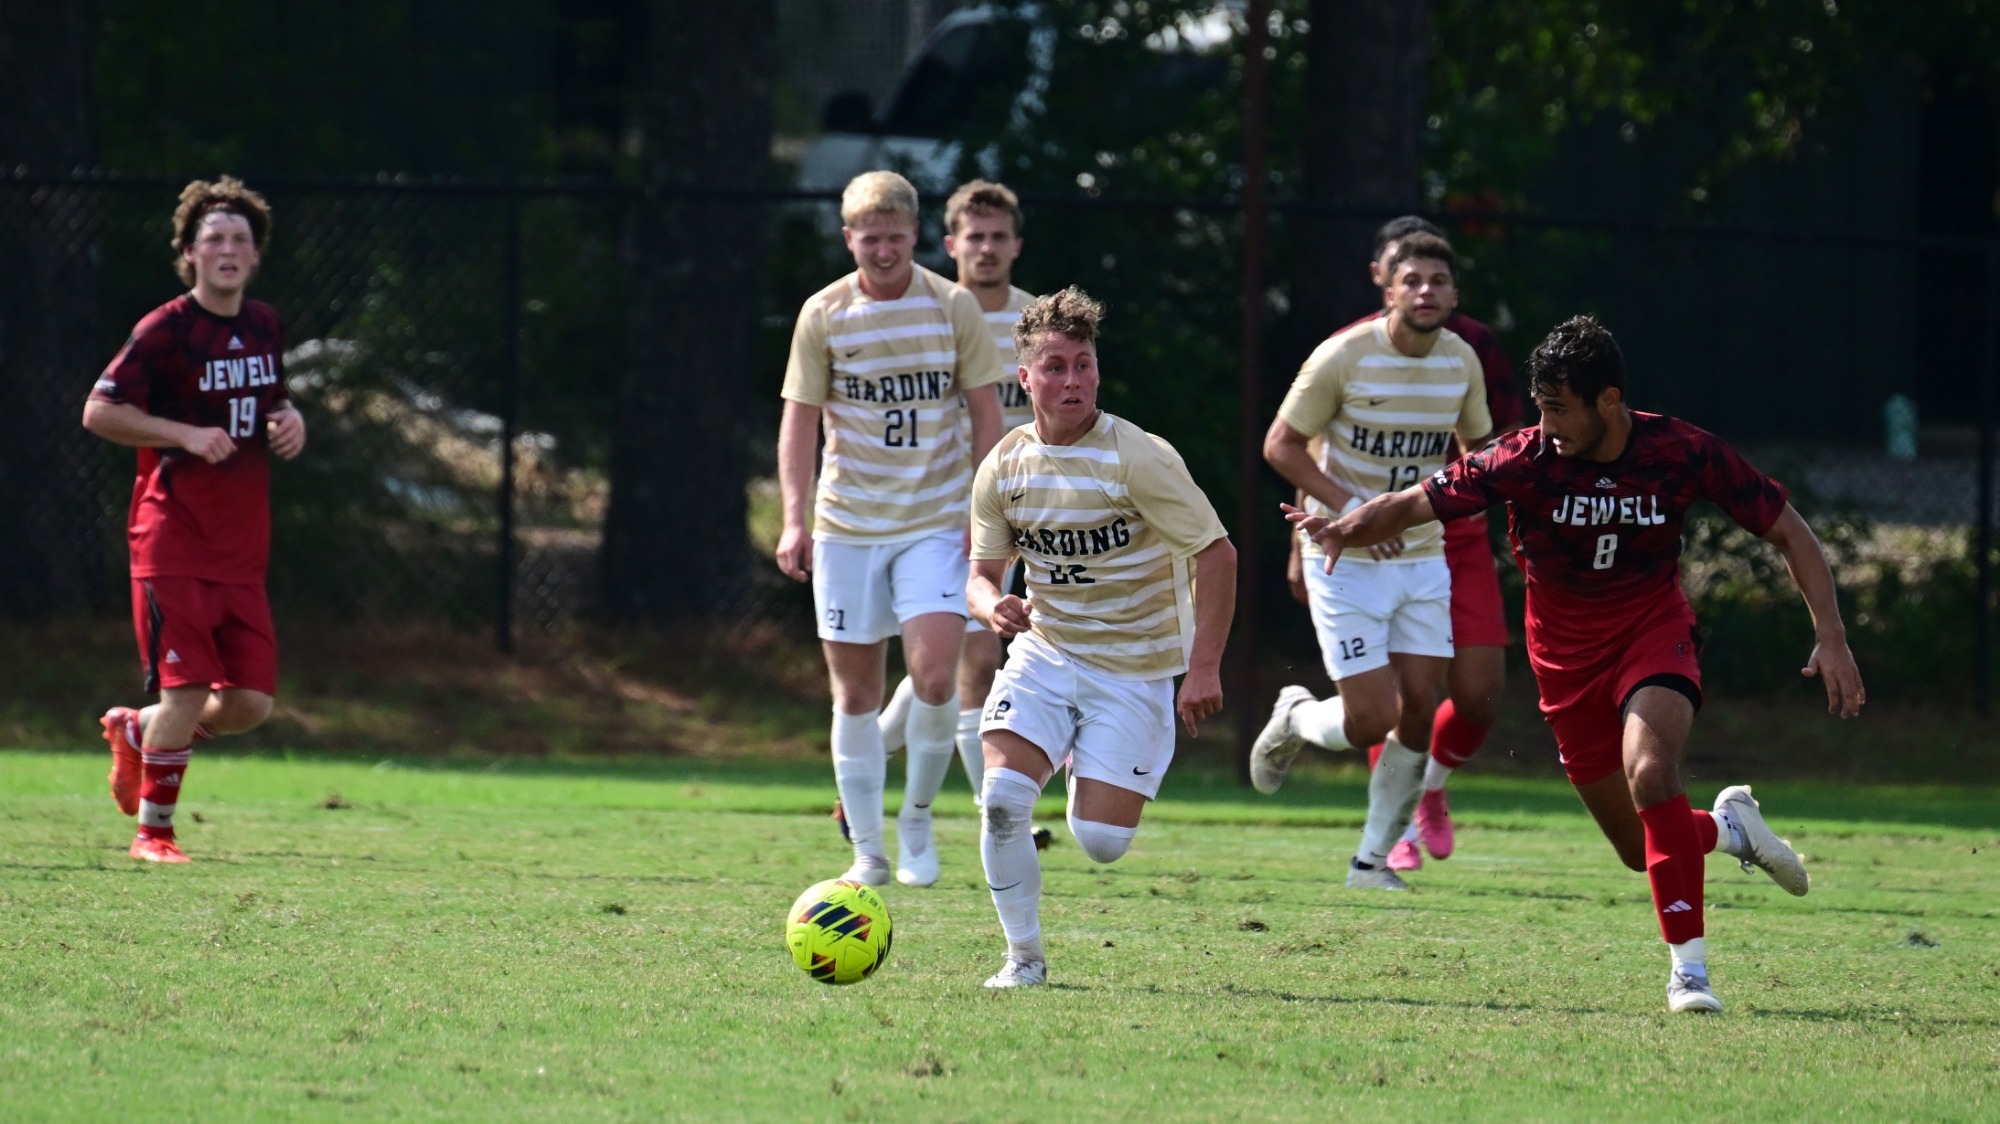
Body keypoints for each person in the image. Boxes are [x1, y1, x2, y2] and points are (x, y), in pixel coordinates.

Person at [1284, 314, 1864, 1012]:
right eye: (1541, 407)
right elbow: (1414, 502)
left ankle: (1690, 975)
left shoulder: (1680, 450)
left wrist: (1831, 636)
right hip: (1564, 664)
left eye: (1560, 408)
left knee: (1651, 773)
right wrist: (1344, 528)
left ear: (1608, 401)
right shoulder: (1523, 458)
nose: (1547, 424)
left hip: (1653, 633)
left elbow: (1789, 532)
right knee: (1639, 847)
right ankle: (1731, 829)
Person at [968, 286, 1236, 988]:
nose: (1072, 381)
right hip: (1046, 652)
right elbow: (979, 575)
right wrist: (993, 605)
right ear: (1024, 378)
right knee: (1002, 802)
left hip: (1134, 667)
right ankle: (1024, 959)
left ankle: (1082, 756)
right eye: (1054, 367)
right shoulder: (1004, 465)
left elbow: (1218, 555)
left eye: (1083, 365)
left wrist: (1203, 667)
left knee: (1102, 843)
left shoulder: (1138, 457)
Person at [777, 170, 1005, 888]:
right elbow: (799, 423)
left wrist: (982, 516)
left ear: (916, 236)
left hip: (934, 522)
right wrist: (793, 519)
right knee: (855, 697)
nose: (882, 252)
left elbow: (987, 415)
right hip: (847, 527)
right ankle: (867, 852)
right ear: (848, 238)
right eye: (869, 239)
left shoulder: (952, 306)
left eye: (895, 239)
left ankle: (917, 819)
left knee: (936, 678)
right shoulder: (823, 313)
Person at [1284, 216, 1527, 871]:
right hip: (1361, 542)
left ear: (1454, 290)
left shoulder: (1470, 351)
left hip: (1444, 539)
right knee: (1379, 708)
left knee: (1470, 695)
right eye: (1409, 277)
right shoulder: (1347, 351)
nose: (1425, 290)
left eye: (1437, 279)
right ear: (1384, 283)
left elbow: (1491, 448)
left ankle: (1422, 794)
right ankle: (1382, 836)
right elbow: (1297, 444)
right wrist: (1322, 533)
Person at [85, 176, 307, 864]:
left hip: (240, 549)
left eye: (240, 238)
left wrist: (291, 418)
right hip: (172, 536)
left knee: (248, 704)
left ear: (256, 254)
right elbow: (99, 411)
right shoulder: (166, 329)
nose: (228, 249)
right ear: (189, 253)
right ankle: (153, 834)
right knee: (183, 691)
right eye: (214, 239)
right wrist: (180, 433)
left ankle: (139, 731)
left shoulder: (264, 324)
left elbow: (272, 400)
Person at [876, 180, 1037, 808]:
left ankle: (871, 752)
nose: (987, 248)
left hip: (1030, 512)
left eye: (999, 237)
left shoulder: (1037, 322)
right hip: (950, 511)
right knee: (977, 658)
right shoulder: (933, 313)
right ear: (950, 245)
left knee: (952, 664)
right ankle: (994, 813)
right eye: (975, 237)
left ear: (1017, 245)